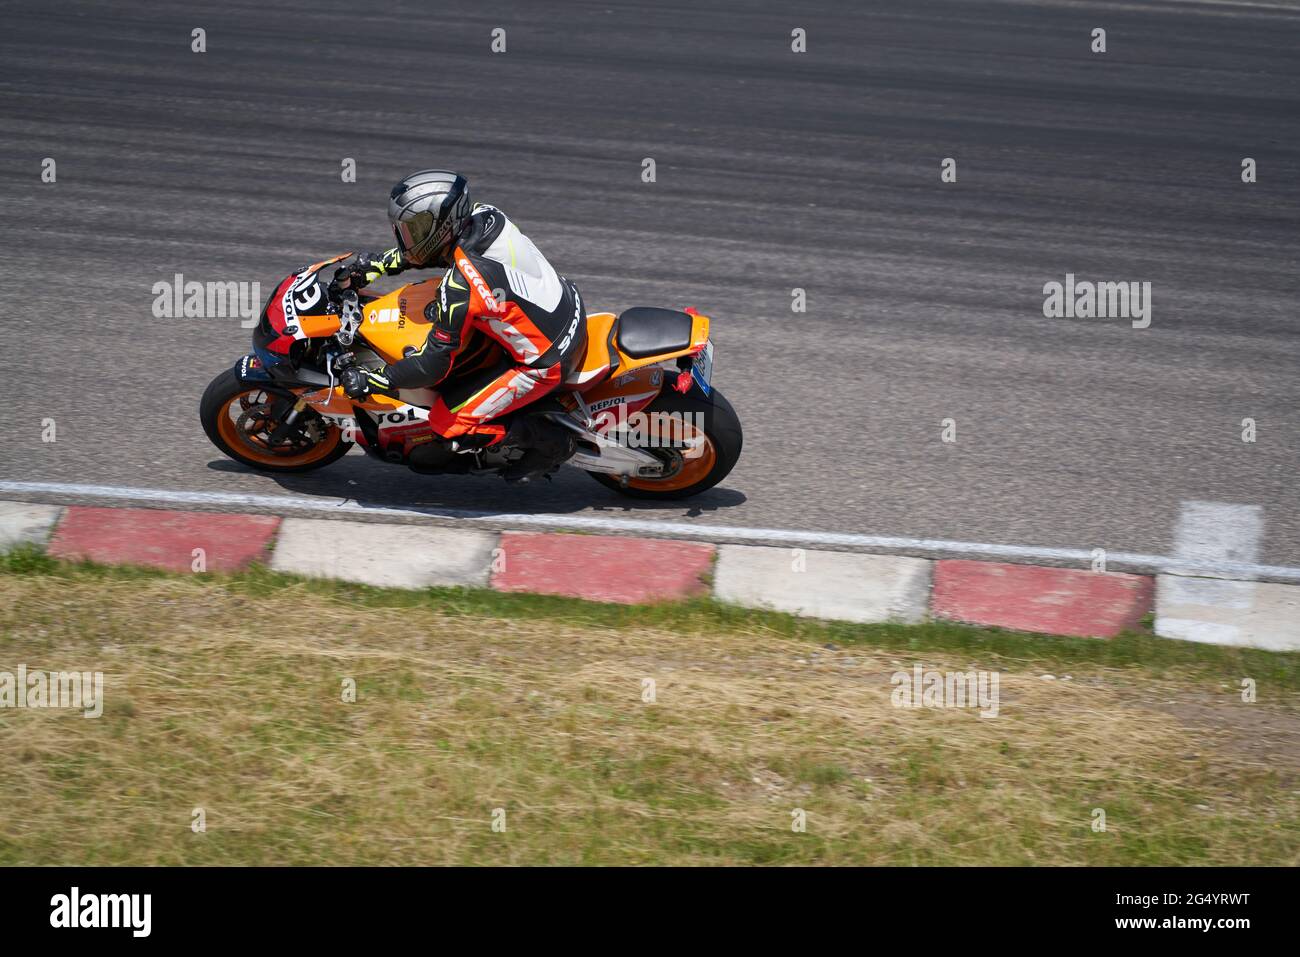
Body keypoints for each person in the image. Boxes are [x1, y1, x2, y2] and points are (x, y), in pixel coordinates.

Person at [335, 170, 587, 481]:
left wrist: (375, 380)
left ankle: (550, 442)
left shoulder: (460, 286)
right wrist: (382, 263)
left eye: (414, 228)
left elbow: (432, 366)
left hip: (545, 361)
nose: (406, 237)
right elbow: (440, 250)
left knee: (446, 422)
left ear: (441, 224)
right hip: (566, 305)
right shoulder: (485, 214)